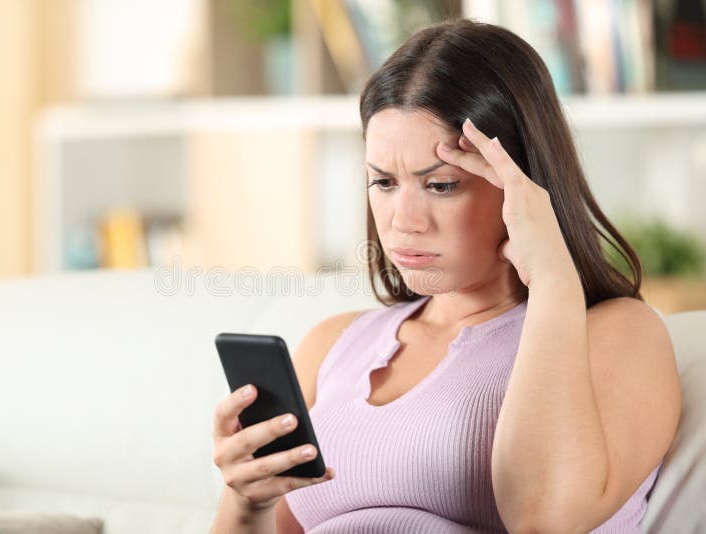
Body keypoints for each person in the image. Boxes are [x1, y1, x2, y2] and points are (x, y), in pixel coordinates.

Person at [210, 17, 682, 533]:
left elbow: (544, 519)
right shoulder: (331, 346)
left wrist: (552, 279)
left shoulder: (619, 333)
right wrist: (246, 505)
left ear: (523, 184)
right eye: (383, 182)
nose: (402, 221)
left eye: (439, 185)